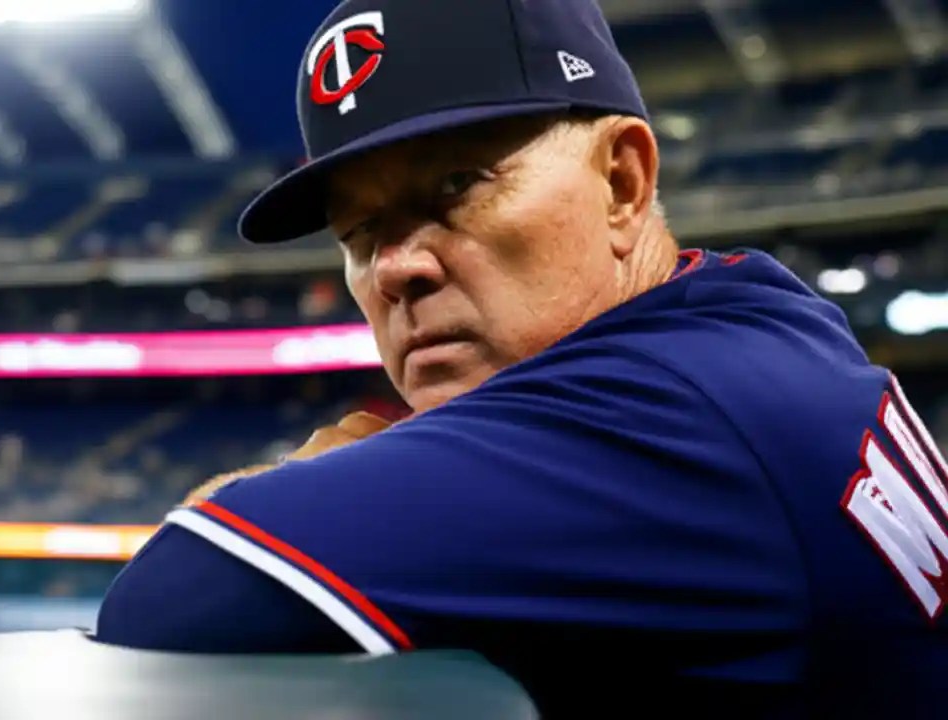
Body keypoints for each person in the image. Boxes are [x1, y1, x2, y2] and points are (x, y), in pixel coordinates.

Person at [92, 0, 948, 716]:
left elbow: (178, 589)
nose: (395, 268)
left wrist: (263, 487)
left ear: (623, 182)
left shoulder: (672, 415)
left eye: (457, 187)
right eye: (359, 233)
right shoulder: (753, 320)